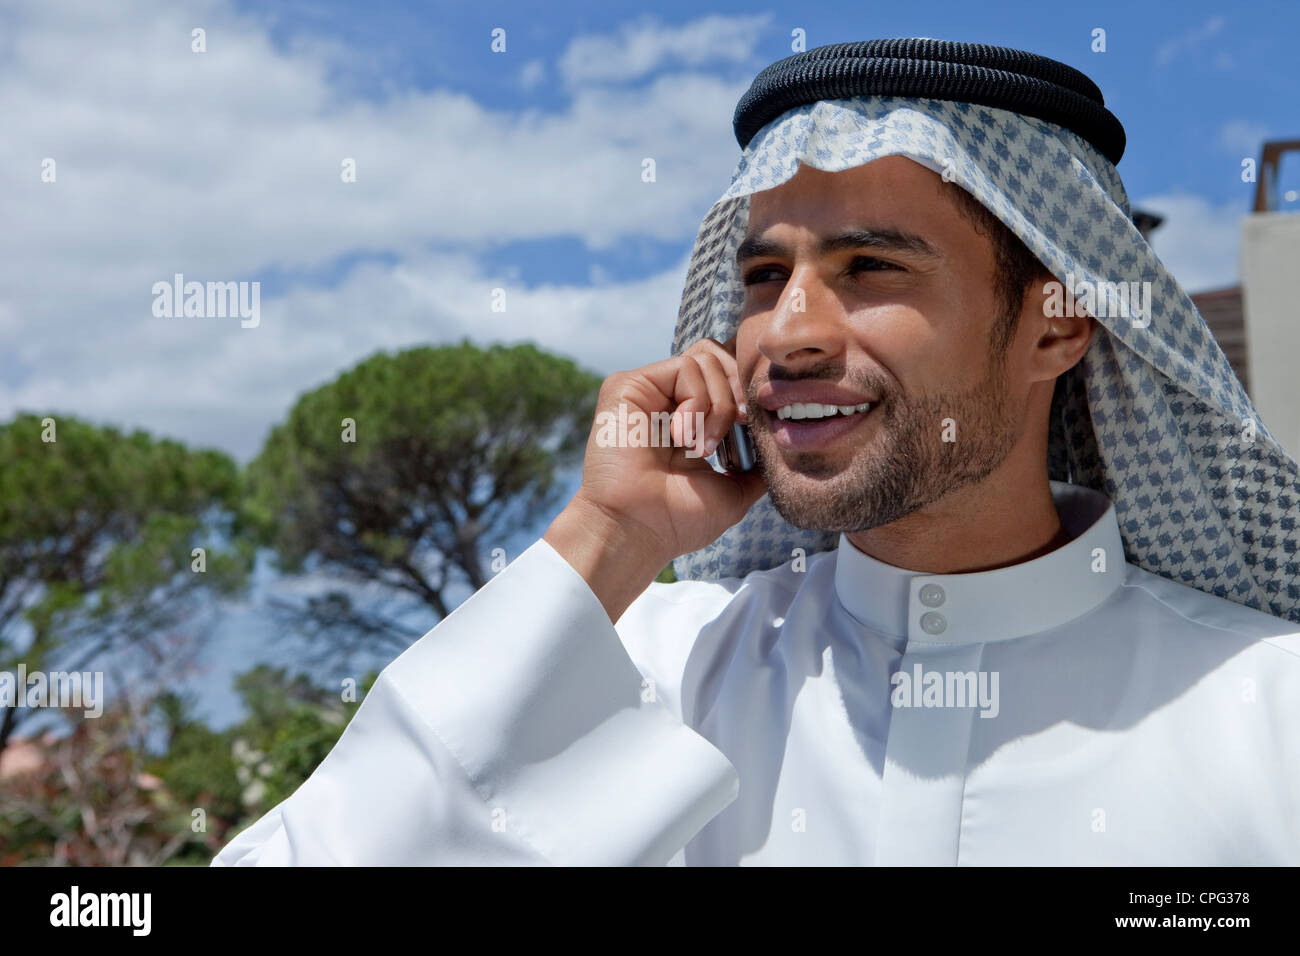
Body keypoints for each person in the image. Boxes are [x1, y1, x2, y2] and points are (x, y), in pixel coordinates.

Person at [213, 39, 1300, 866]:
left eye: (872, 267)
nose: (786, 332)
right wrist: (607, 539)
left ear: (1056, 325)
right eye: (765, 278)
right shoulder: (644, 672)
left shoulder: (1267, 709)